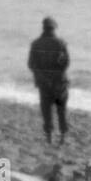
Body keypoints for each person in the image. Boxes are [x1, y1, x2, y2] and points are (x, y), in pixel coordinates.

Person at [27, 17, 70, 145]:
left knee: (46, 112)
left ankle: (49, 138)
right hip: (60, 83)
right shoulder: (61, 43)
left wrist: (42, 77)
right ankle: (62, 137)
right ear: (54, 28)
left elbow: (31, 64)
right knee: (61, 111)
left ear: (43, 28)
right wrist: (57, 76)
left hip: (43, 84)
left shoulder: (35, 44)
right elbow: (66, 63)